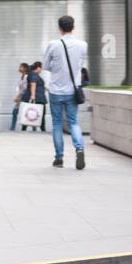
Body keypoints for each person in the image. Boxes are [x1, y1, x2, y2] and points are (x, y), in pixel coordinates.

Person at [43, 14, 88, 169]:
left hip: (55, 89)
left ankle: (59, 158)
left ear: (60, 28)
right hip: (72, 89)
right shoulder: (82, 44)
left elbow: (46, 66)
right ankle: (79, 148)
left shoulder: (53, 44)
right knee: (73, 121)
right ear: (73, 27)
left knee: (56, 123)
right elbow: (81, 64)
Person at [20, 61, 47, 132]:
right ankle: (43, 129)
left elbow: (36, 85)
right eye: (41, 68)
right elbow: (33, 84)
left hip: (38, 97)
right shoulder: (34, 75)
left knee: (30, 113)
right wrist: (33, 96)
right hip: (37, 98)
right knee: (40, 114)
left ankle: (24, 129)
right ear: (38, 68)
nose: (41, 70)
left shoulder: (32, 74)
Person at [10, 62, 30, 131]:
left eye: (21, 67)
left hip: (23, 98)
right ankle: (13, 128)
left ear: (25, 69)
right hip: (20, 98)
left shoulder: (26, 77)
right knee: (16, 113)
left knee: (17, 112)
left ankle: (13, 128)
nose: (19, 68)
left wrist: (18, 97)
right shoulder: (22, 77)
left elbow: (24, 89)